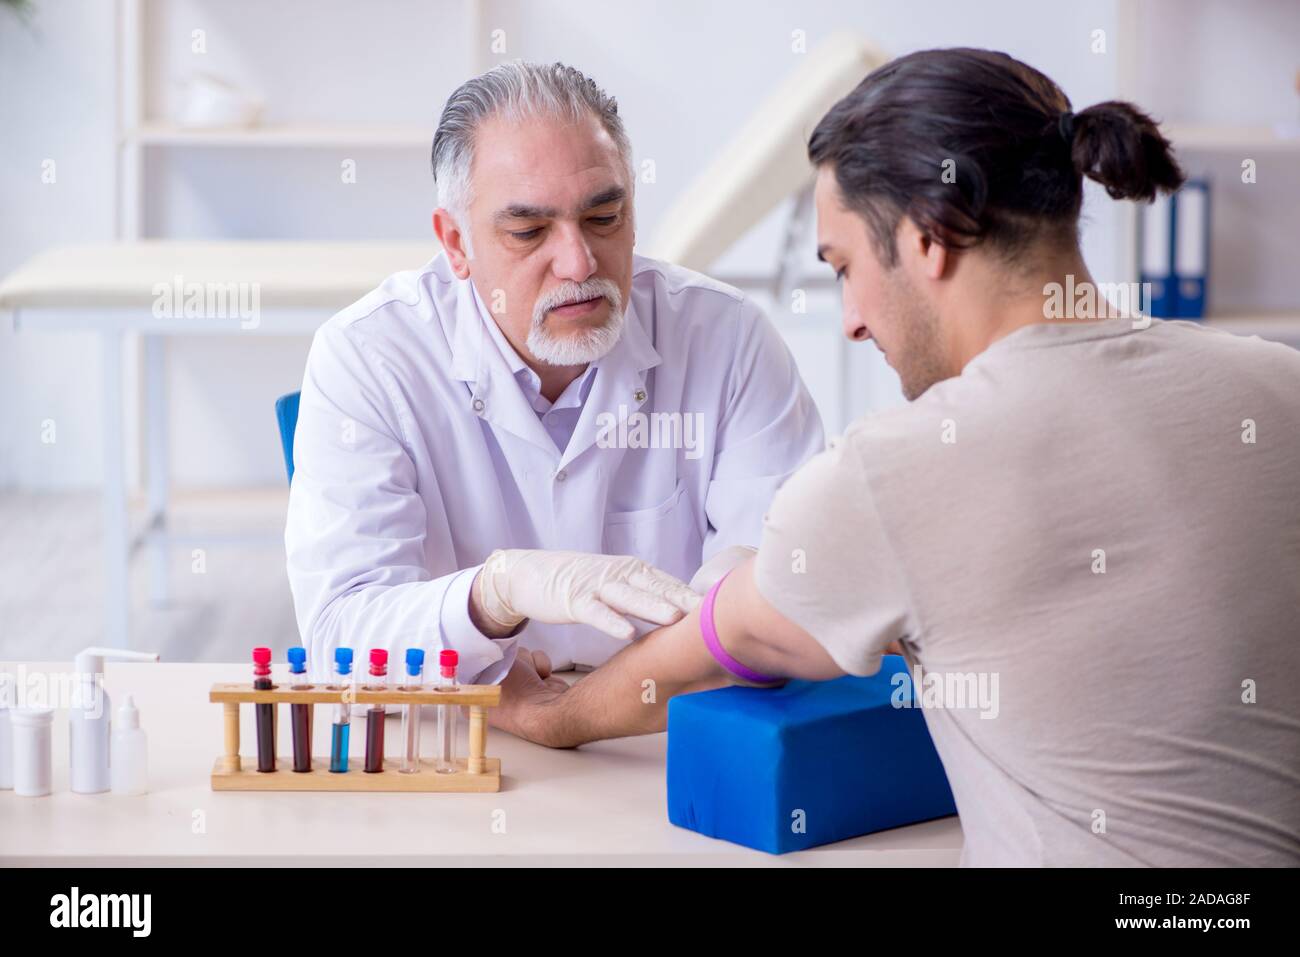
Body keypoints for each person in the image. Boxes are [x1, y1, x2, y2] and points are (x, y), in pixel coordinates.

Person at [491, 48, 1300, 867]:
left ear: (929, 238)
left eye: (845, 268)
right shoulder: (1282, 387)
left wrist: (545, 717)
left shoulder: (894, 472)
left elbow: (709, 648)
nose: (848, 320)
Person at [284, 61, 824, 691]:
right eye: (528, 230)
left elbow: (786, 602)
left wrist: (583, 711)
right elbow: (339, 636)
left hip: (664, 734)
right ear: (455, 242)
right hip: (464, 739)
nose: (578, 262)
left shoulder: (727, 338)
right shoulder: (369, 356)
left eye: (603, 218)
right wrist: (493, 595)